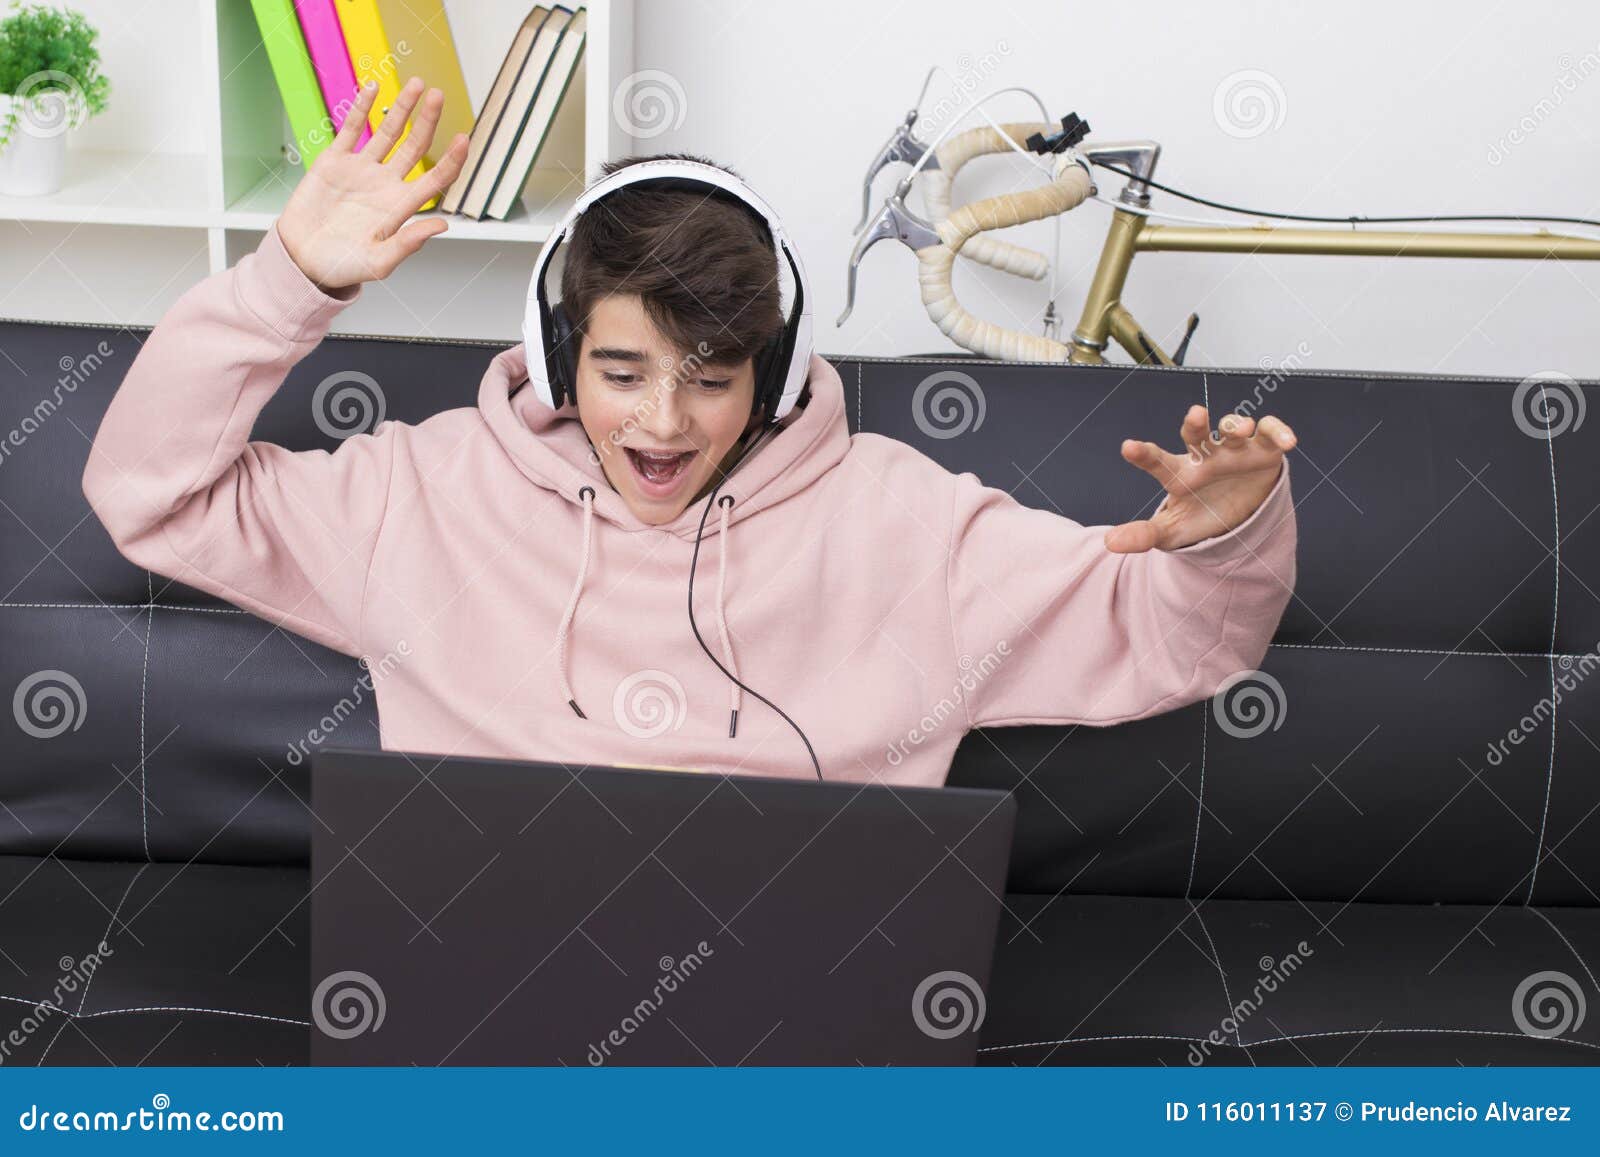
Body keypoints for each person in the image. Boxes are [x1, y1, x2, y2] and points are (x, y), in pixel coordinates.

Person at [81, 77, 1299, 787]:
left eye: (711, 380)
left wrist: (1225, 538)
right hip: (490, 997)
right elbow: (153, 495)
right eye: (621, 371)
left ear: (772, 376)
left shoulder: (908, 522)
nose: (662, 422)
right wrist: (290, 278)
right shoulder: (422, 493)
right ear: (561, 356)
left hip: (794, 1026)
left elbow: (1177, 645)